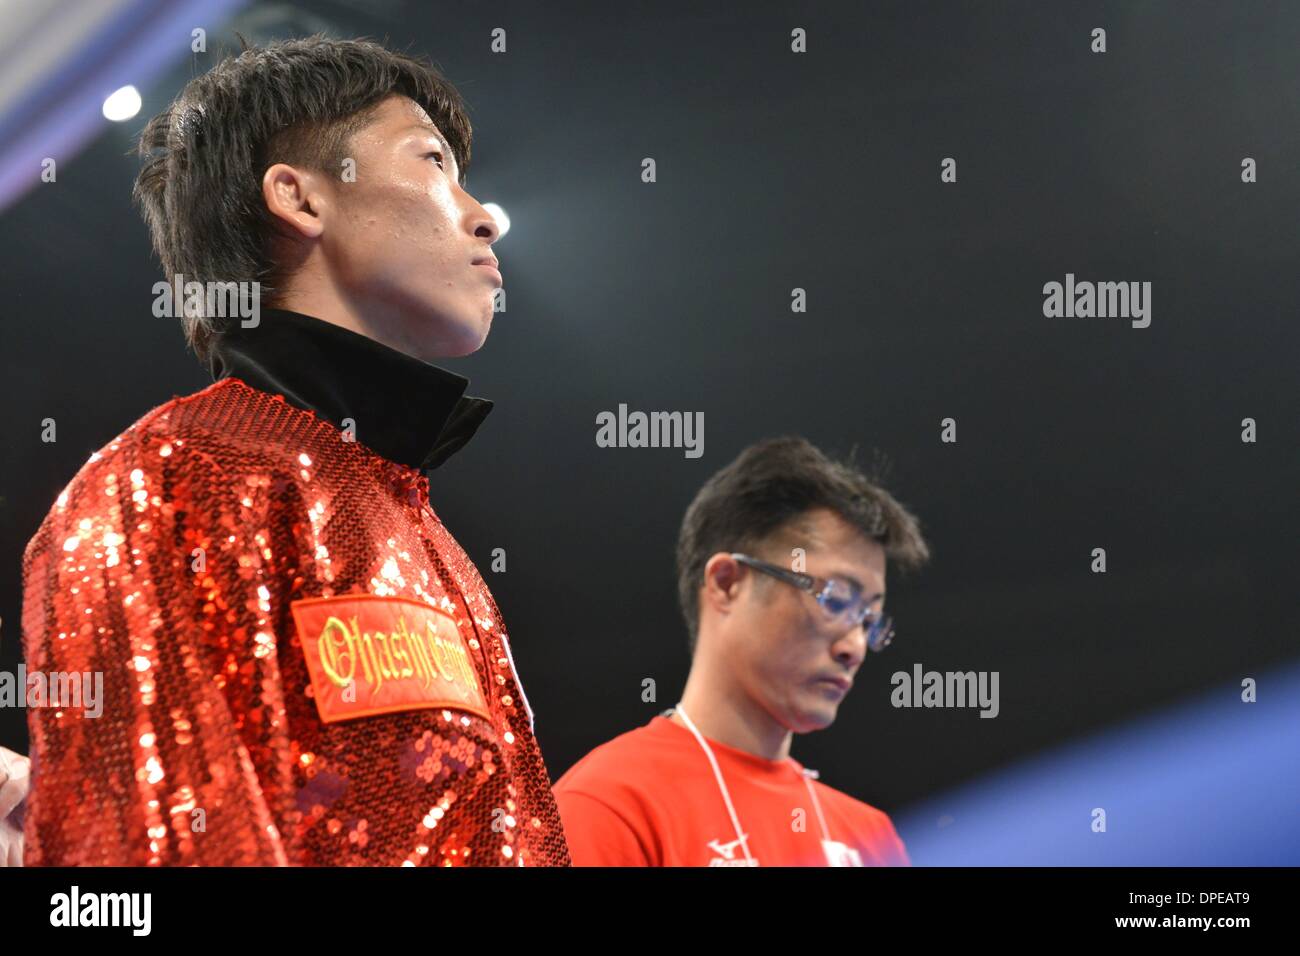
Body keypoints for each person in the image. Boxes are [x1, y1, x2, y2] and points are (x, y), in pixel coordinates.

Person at [13, 35, 569, 866]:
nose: (482, 214)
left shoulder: (426, 533)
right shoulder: (171, 484)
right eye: (433, 162)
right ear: (301, 199)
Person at [553, 437, 930, 866]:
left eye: (868, 619)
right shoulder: (607, 805)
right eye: (836, 600)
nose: (855, 647)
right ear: (728, 583)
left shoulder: (872, 839)